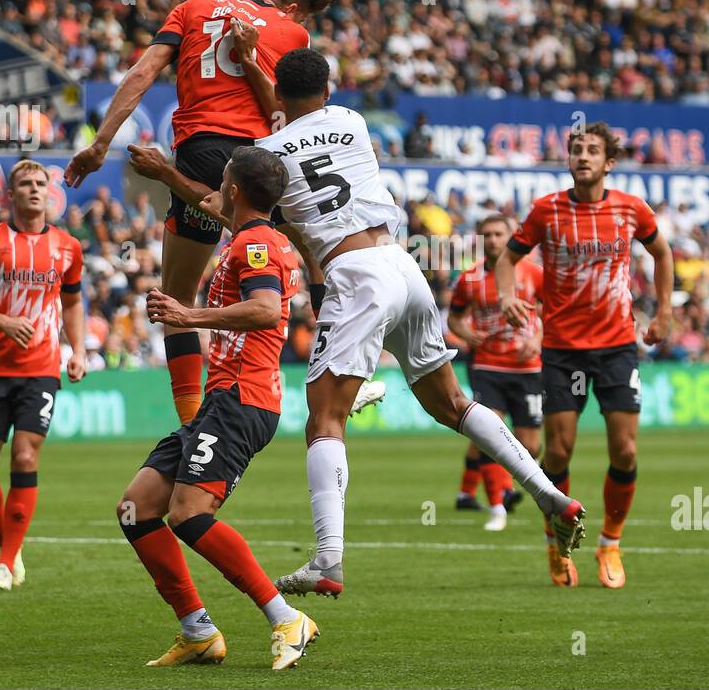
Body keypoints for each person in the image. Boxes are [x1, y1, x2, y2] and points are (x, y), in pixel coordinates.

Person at [217, 48, 586, 598]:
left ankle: (327, 560)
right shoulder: (351, 121)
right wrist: (261, 71)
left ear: (275, 91)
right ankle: (547, 493)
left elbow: (227, 204)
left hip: (355, 274)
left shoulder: (264, 157)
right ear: (328, 89)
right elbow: (300, 113)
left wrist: (166, 173)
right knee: (454, 405)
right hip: (402, 265)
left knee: (324, 420)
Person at [64, 0, 337, 427]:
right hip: (263, 160)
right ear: (294, 8)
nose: (302, 24)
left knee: (177, 301)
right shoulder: (292, 33)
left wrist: (99, 144)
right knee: (318, 257)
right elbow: (287, 116)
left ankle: (191, 423)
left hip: (201, 150)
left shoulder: (194, 6)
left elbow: (143, 71)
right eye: (305, 16)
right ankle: (335, 377)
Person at [118, 145, 319, 670]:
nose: (216, 189)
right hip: (222, 401)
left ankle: (285, 618)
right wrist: (165, 174)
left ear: (233, 189)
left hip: (242, 399)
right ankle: (198, 631)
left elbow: (265, 309)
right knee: (137, 507)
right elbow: (204, 200)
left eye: (223, 180)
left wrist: (187, 315)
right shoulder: (249, 233)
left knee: (188, 512)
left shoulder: (256, 246)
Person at [494, 122, 675, 589]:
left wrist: (664, 314)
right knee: (557, 450)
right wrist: (508, 296)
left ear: (609, 163)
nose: (582, 156)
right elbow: (507, 259)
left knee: (626, 449)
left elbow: (663, 253)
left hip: (616, 345)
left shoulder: (631, 209)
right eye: (576, 149)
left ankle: (610, 543)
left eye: (592, 150)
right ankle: (557, 542)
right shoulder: (546, 210)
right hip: (563, 350)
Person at [0, 159, 88, 591]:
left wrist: (79, 349)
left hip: (41, 369)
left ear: (49, 192)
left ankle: (5, 561)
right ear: (9, 195)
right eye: (24, 184)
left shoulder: (68, 247)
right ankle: (10, 544)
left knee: (26, 458)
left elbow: (71, 303)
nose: (33, 189)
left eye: (40, 183)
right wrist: (1, 321)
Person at [446, 215, 539, 530]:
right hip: (487, 365)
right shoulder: (469, 279)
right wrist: (466, 335)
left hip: (528, 367)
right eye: (487, 235)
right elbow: (455, 318)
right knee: (490, 434)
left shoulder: (533, 273)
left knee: (531, 445)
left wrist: (538, 339)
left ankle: (506, 487)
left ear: (512, 236)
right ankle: (497, 506)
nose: (494, 240)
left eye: (499, 234)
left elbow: (553, 312)